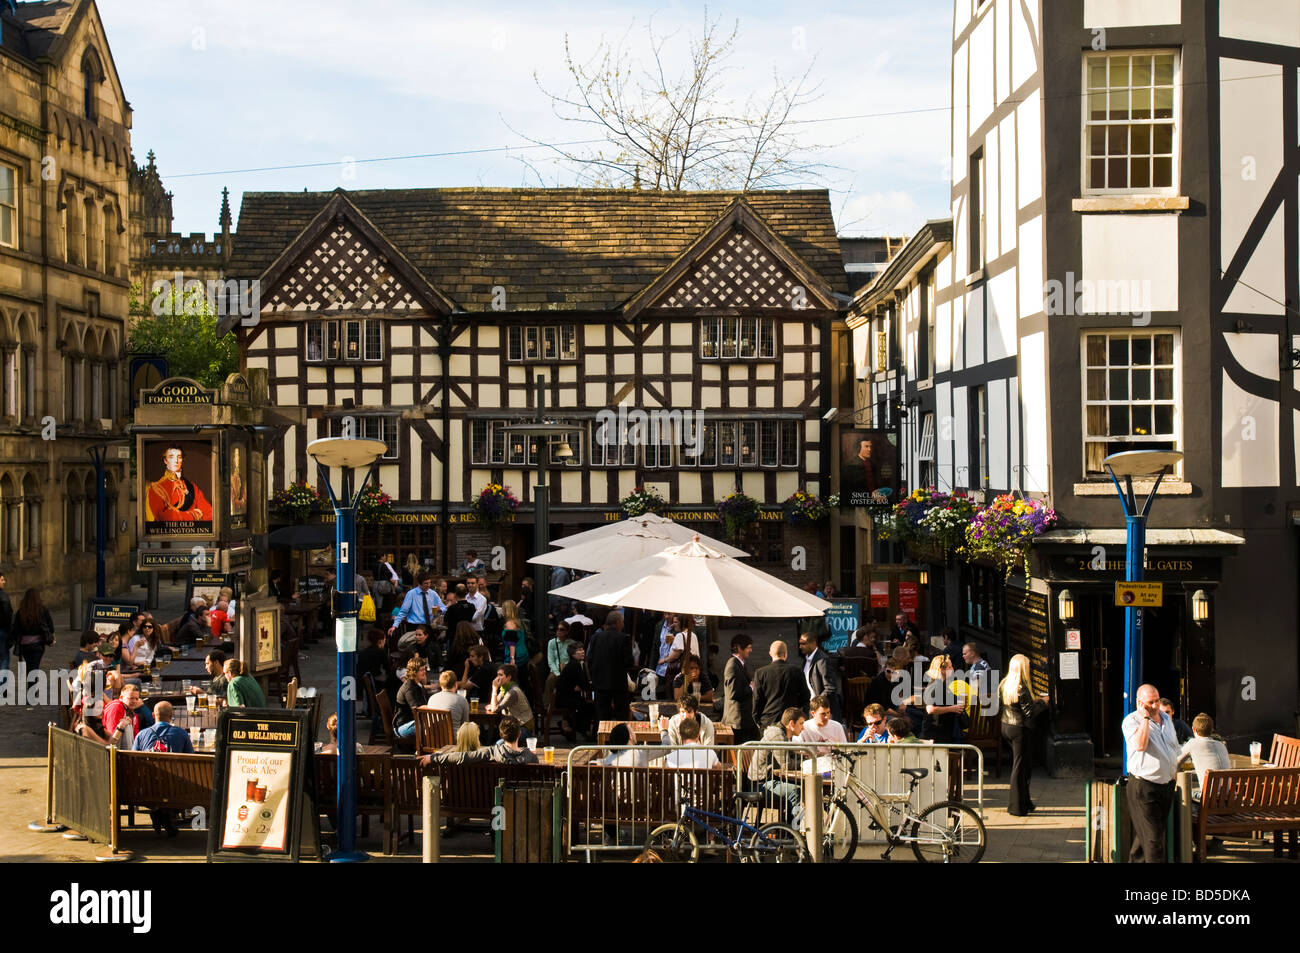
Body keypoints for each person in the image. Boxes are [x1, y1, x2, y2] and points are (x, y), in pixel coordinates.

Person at [1123, 683, 1181, 863]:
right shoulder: (1132, 721)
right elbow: (1140, 745)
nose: (1155, 705)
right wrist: (1145, 719)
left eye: (1157, 701)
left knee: (1148, 835)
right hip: (1145, 786)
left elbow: (1173, 748)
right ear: (1139, 703)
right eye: (1150, 702)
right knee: (1154, 839)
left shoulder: (1166, 718)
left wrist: (1174, 773)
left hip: (1166, 785)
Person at [132, 700, 192, 836]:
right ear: (172, 715)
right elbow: (190, 758)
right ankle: (166, 813)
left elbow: (134, 760)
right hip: (174, 787)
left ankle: (160, 812)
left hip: (147, 786)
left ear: (153, 715)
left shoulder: (142, 734)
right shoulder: (181, 733)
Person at [1000, 653, 1046, 817]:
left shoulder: (1005, 684)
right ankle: (1016, 806)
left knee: (1023, 765)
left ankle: (1025, 803)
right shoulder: (1021, 687)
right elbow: (1030, 712)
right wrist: (1043, 702)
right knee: (1019, 767)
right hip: (1019, 729)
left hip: (1006, 726)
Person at [749, 707, 807, 826]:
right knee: (796, 791)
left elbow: (790, 757)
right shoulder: (778, 736)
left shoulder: (782, 735)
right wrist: (806, 762)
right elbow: (787, 765)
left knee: (804, 788)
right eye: (801, 723)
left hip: (768, 780)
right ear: (791, 723)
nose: (803, 727)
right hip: (761, 784)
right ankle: (795, 831)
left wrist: (803, 758)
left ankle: (789, 829)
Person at [421, 716, 538, 766]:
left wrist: (432, 758)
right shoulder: (530, 755)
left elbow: (462, 757)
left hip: (496, 801)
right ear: (519, 734)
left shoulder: (491, 752)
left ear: (501, 735)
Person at [144, 444, 213, 522]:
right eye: (171, 457)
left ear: (182, 460)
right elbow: (162, 517)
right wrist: (194, 514)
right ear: (165, 461)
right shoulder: (156, 488)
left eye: (179, 457)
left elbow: (209, 513)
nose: (176, 461)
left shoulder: (192, 487)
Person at [587, 610, 634, 721]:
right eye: (622, 622)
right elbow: (629, 662)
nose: (623, 624)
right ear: (617, 622)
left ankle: (601, 736)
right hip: (618, 684)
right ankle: (618, 737)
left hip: (600, 683)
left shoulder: (595, 637)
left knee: (602, 715)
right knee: (620, 716)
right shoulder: (624, 638)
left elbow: (590, 659)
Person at [752, 640, 810, 729]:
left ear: (770, 653)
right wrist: (802, 717)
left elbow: (757, 699)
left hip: (768, 721)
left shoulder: (760, 673)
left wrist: (757, 720)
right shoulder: (797, 671)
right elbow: (806, 697)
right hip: (791, 722)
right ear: (785, 654)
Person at [921, 654, 970, 744]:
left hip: (943, 731)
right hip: (934, 733)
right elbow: (930, 709)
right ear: (941, 670)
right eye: (949, 667)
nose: (953, 669)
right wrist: (952, 708)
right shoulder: (934, 685)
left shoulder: (944, 684)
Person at [1179, 713, 1230, 796]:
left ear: (1193, 729)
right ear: (1211, 730)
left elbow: (1175, 763)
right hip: (1228, 798)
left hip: (1209, 798)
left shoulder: (1192, 743)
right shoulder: (1221, 745)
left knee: (1183, 793)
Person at [799, 629, 842, 725]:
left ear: (813, 643)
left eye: (803, 643)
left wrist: (817, 702)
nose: (800, 646)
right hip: (812, 708)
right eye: (800, 643)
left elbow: (830, 687)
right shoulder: (806, 660)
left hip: (823, 710)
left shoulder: (823, 660)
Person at [554, 642, 594, 739]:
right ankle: (577, 729)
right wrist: (581, 685)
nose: (583, 652)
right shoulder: (575, 665)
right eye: (579, 650)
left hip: (565, 696)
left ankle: (570, 726)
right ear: (573, 654)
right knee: (589, 706)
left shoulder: (575, 664)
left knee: (585, 704)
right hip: (564, 698)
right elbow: (583, 683)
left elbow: (581, 684)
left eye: (583, 649)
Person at [723, 634, 758, 743]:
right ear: (739, 648)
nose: (750, 650)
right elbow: (733, 693)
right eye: (748, 647)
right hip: (737, 721)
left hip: (742, 719)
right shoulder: (733, 665)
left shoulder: (738, 664)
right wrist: (751, 688)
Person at [11, 588, 54, 675]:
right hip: (37, 645)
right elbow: (50, 626)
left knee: (31, 667)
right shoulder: (42, 610)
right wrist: (51, 638)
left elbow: (15, 628)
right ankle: (32, 686)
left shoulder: (21, 611)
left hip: (24, 645)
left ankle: (31, 684)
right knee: (34, 667)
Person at [388, 572, 444, 637]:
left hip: (429, 625)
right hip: (414, 627)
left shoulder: (433, 593)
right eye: (426, 583)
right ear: (419, 584)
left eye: (429, 583)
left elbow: (443, 607)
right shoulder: (411, 594)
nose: (428, 585)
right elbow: (403, 611)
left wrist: (440, 609)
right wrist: (394, 626)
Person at [487, 663, 534, 737]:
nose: (497, 678)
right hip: (512, 727)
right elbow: (494, 704)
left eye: (500, 675)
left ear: (508, 677)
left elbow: (494, 709)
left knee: (498, 744)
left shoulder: (512, 692)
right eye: (497, 675)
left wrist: (494, 688)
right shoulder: (504, 689)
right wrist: (493, 705)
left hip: (523, 728)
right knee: (491, 736)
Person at [103, 684, 155, 750]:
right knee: (127, 726)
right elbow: (112, 733)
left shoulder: (133, 715)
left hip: (126, 749)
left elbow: (135, 737)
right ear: (121, 697)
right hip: (111, 748)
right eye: (131, 698)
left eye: (136, 699)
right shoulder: (116, 707)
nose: (134, 701)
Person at [356, 629, 395, 705]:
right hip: (375, 682)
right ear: (380, 640)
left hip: (363, 682)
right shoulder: (381, 652)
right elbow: (388, 669)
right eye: (384, 639)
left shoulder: (363, 652)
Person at [394, 658, 430, 739]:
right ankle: (422, 750)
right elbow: (416, 710)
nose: (424, 672)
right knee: (431, 726)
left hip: (414, 722)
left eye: (424, 669)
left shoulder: (418, 684)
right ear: (414, 672)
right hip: (403, 726)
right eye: (421, 670)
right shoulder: (409, 688)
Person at [427, 669, 470, 735]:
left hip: (433, 740)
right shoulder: (462, 700)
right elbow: (465, 725)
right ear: (456, 685)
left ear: (441, 685)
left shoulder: (431, 699)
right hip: (454, 742)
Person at [499, 600, 527, 665]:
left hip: (514, 657)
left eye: (503, 609)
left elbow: (512, 644)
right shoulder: (518, 622)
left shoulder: (509, 625)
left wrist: (512, 659)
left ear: (506, 611)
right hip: (523, 654)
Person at [0, 572, 11, 673]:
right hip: (2, 631)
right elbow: (8, 616)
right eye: (2, 580)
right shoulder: (3, 597)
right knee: (4, 659)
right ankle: (2, 686)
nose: (4, 582)